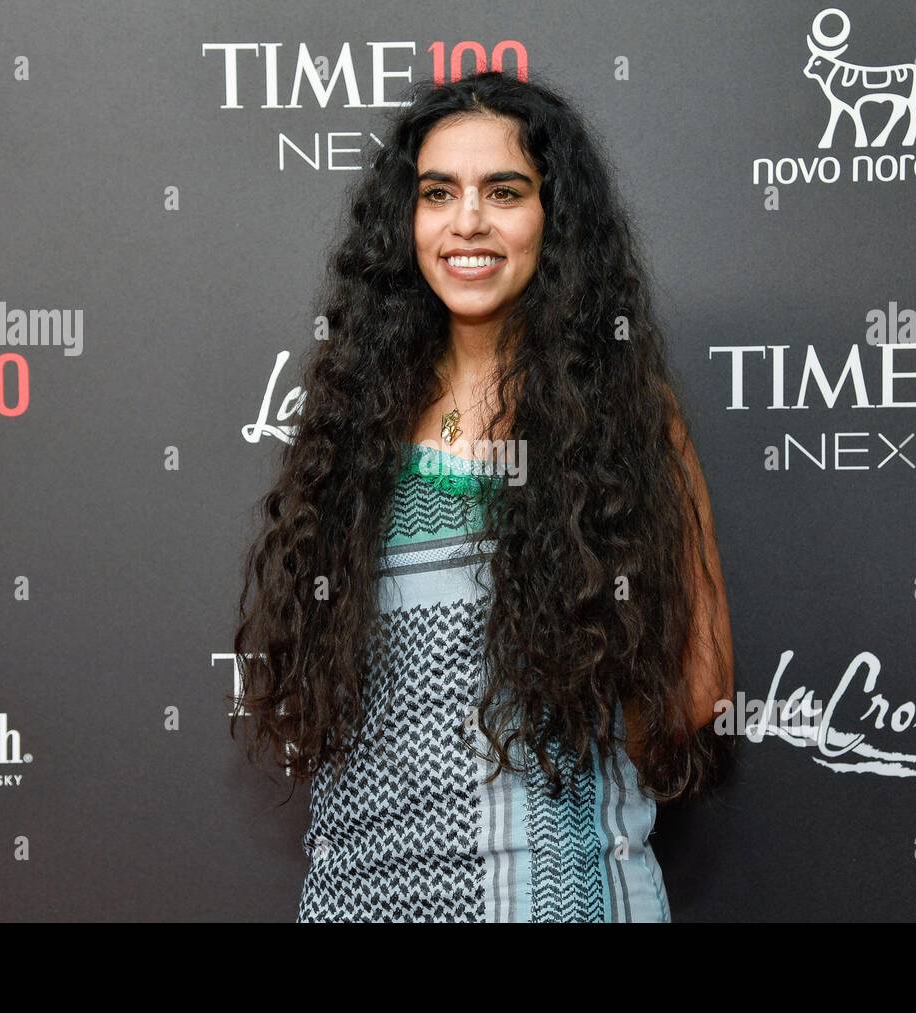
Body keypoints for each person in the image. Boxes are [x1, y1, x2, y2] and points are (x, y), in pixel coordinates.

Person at [232, 70, 735, 922]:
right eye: (438, 194)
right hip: (367, 894)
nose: (468, 222)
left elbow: (698, 687)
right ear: (408, 222)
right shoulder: (351, 414)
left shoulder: (623, 411)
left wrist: (565, 788)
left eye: (504, 191)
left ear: (554, 218)